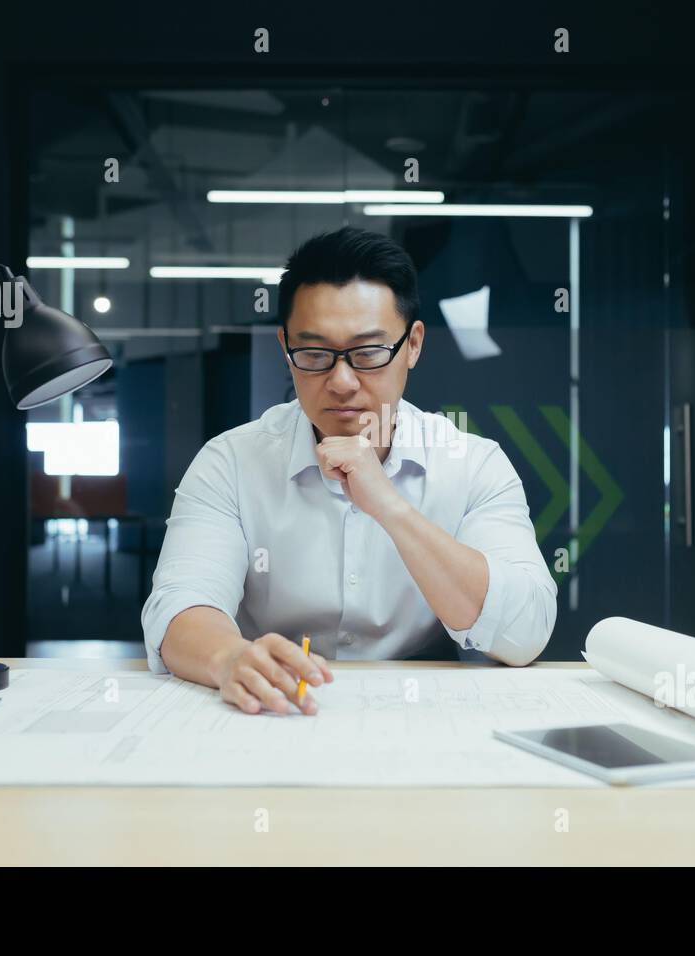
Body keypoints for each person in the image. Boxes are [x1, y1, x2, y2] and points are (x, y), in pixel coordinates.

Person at [141, 225, 557, 714]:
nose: (340, 382)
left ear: (414, 344)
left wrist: (389, 507)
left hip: (422, 716)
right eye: (315, 354)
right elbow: (180, 604)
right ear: (285, 347)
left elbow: (525, 631)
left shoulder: (474, 464)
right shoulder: (230, 462)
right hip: (271, 712)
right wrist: (229, 658)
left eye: (368, 353)